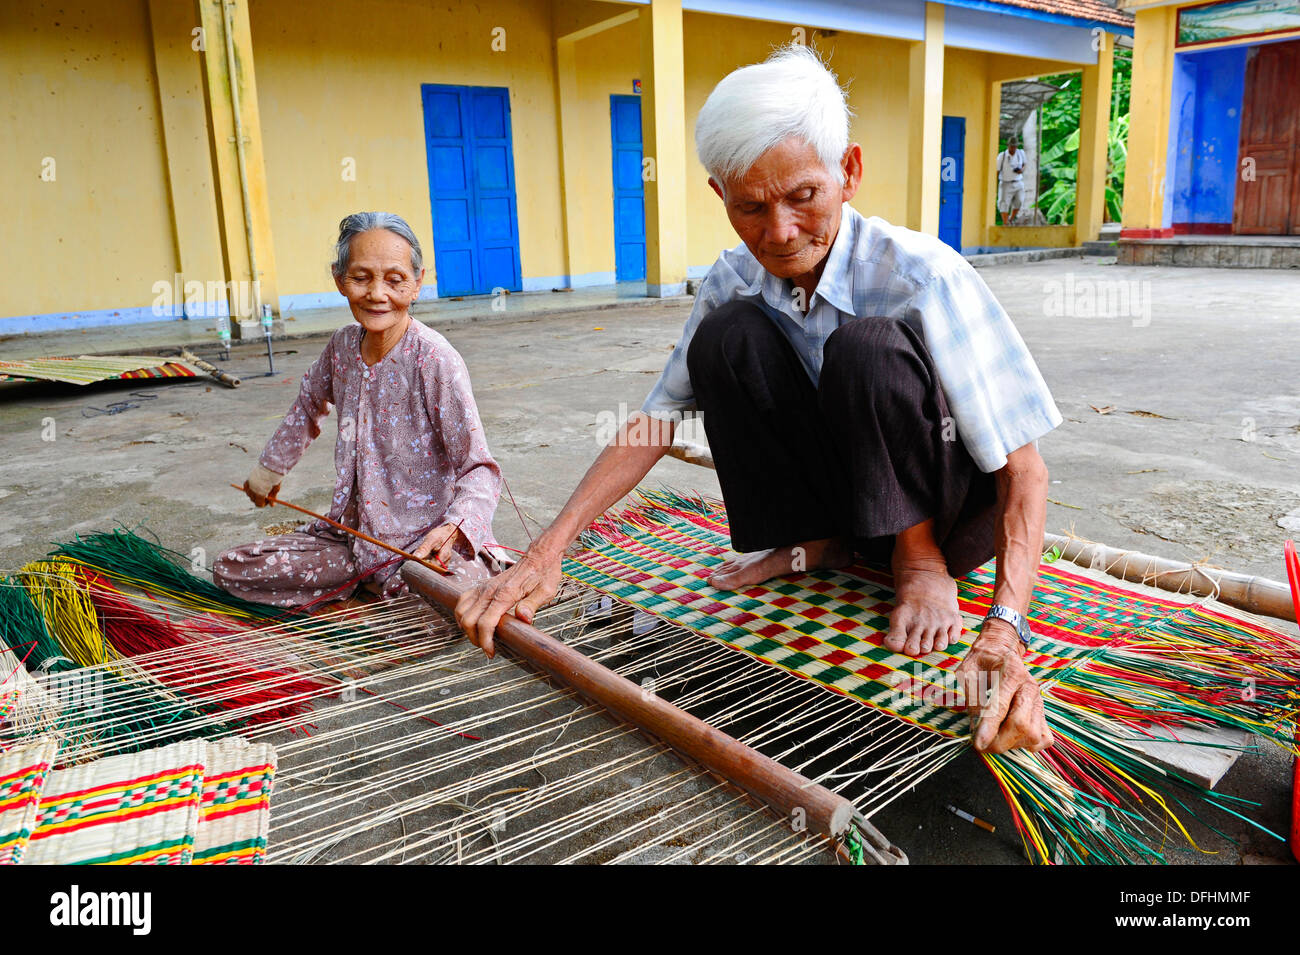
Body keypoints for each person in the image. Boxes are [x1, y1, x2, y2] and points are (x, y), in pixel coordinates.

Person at [456, 46, 1060, 755]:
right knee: (727, 337)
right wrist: (546, 551)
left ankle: (914, 557)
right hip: (853, 500)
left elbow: (1026, 470)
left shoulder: (922, 275)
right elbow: (658, 415)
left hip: (952, 512)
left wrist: (1007, 627)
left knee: (865, 349)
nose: (778, 232)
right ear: (721, 197)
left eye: (804, 196)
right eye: (751, 206)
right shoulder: (732, 278)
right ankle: (821, 542)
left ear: (849, 173)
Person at [214, 212, 503, 607]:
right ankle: (370, 590)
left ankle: (378, 596)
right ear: (339, 280)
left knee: (453, 600)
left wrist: (454, 527)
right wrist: (268, 472)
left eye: (395, 279)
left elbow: (479, 468)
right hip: (354, 538)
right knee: (233, 567)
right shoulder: (342, 347)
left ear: (418, 284)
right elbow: (308, 404)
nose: (378, 294)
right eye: (361, 277)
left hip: (423, 549)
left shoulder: (436, 360)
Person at [996, 135, 1026, 225]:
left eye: (1015, 146)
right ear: (1008, 146)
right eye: (1011, 146)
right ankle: (1005, 223)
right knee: (1004, 204)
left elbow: (1025, 164)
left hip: (1018, 182)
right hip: (1005, 182)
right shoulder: (1002, 156)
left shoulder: (1021, 153)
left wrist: (1021, 170)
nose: (1013, 148)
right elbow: (997, 170)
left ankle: (1011, 218)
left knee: (1019, 201)